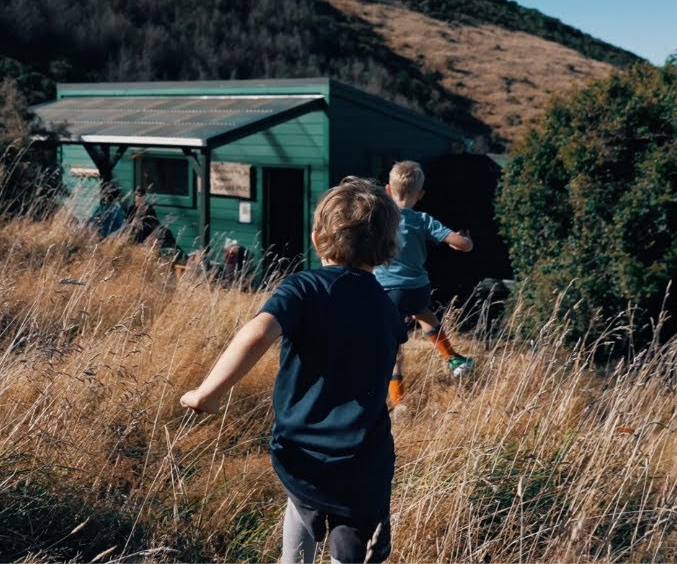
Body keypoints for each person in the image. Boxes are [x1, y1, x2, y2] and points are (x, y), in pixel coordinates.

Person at [180, 177, 404, 563]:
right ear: (386, 249)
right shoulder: (385, 306)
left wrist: (207, 393)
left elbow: (257, 332)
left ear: (318, 239)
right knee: (353, 548)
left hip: (301, 452)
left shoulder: (305, 287)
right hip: (364, 460)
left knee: (303, 498)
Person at [374, 160, 475, 409]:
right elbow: (463, 245)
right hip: (417, 289)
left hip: (387, 292)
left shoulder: (378, 219)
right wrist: (463, 241)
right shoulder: (423, 220)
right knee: (424, 313)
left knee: (395, 349)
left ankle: (399, 404)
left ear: (387, 190)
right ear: (420, 194)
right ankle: (452, 358)